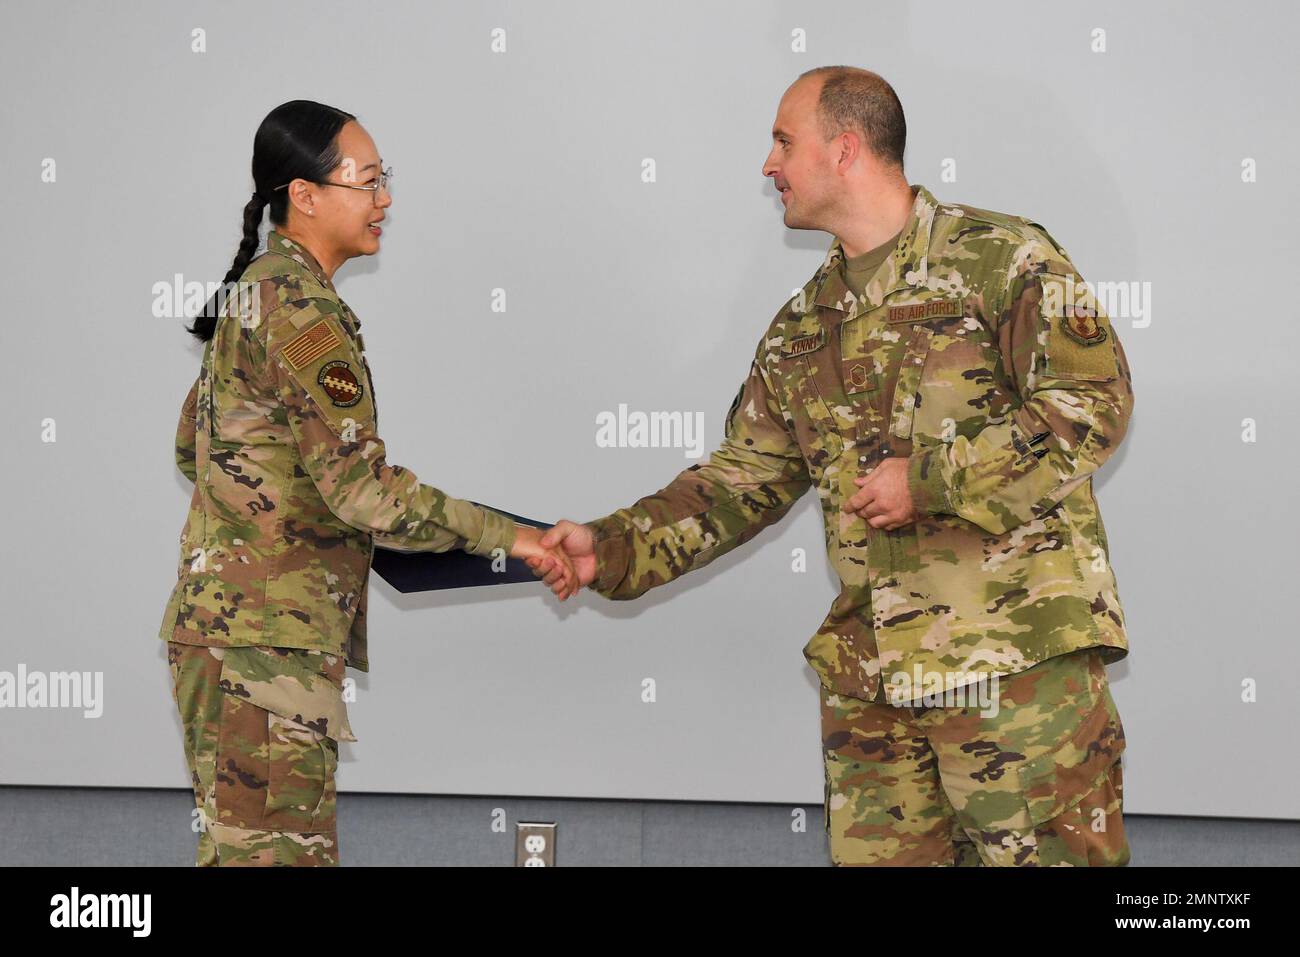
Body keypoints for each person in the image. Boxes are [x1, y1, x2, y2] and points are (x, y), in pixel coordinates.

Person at [531, 67, 1134, 866]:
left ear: (845, 150)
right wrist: (607, 546)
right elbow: (738, 484)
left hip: (1013, 676)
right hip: (871, 692)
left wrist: (929, 482)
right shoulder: (801, 328)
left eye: (784, 142)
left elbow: (1091, 400)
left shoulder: (1001, 259)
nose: (768, 165)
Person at [160, 100, 579, 866]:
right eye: (370, 181)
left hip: (232, 640)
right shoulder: (301, 312)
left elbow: (196, 447)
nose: (385, 200)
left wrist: (282, 519)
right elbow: (366, 494)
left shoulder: (257, 293)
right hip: (265, 652)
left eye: (387, 181)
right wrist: (514, 537)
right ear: (306, 194)